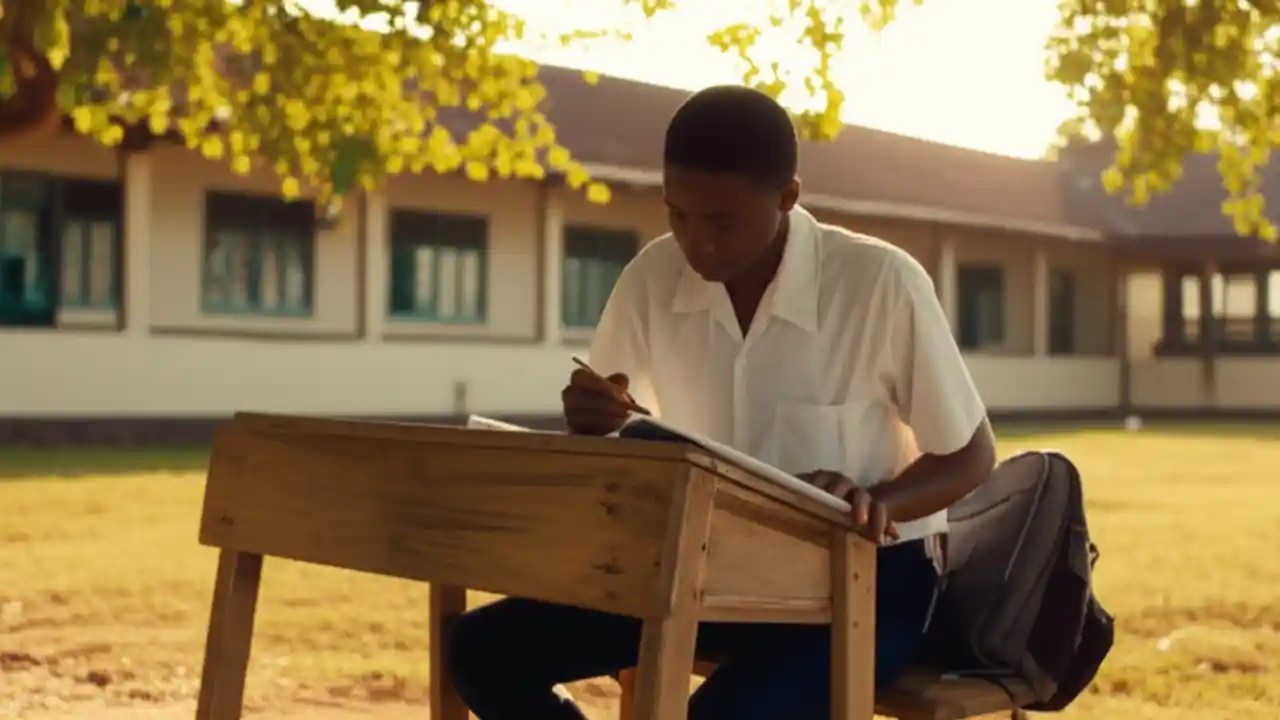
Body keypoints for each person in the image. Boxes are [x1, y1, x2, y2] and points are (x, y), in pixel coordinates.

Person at [447, 85, 997, 720]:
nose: (696, 242)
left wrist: (879, 502)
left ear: (788, 198)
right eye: (677, 214)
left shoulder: (879, 284)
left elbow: (970, 455)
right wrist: (595, 419)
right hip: (703, 569)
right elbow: (614, 419)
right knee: (482, 649)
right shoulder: (654, 275)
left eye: (721, 222)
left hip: (865, 584)